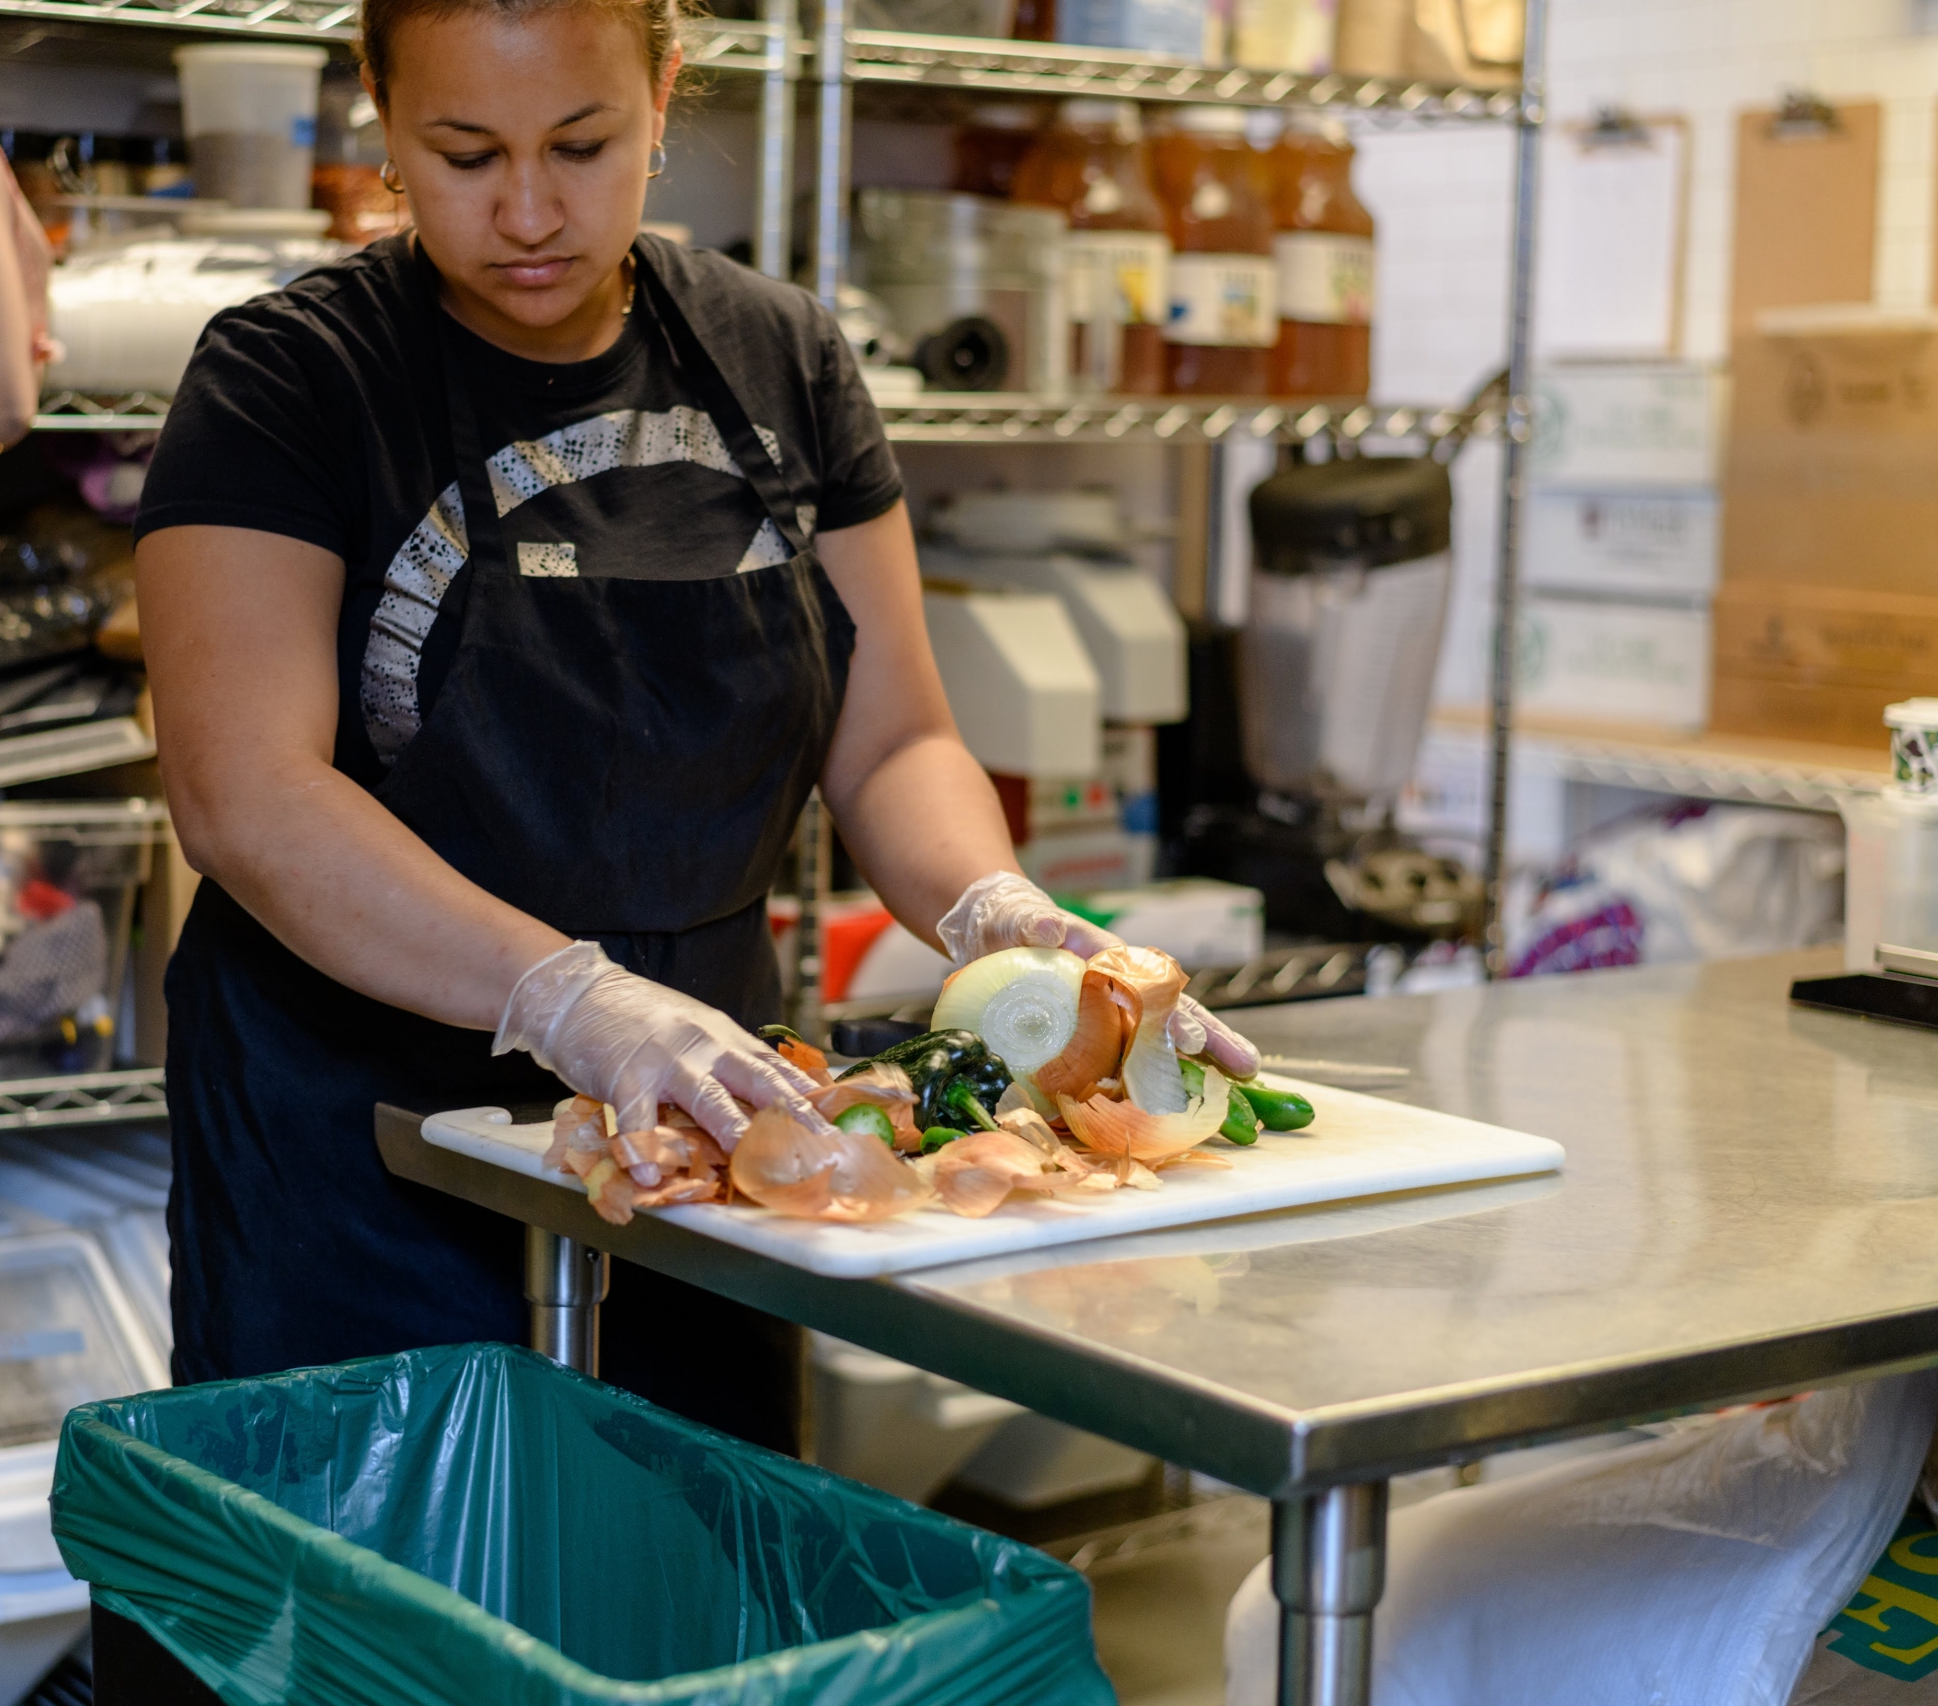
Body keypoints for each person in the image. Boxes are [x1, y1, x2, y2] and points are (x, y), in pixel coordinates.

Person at [133, 0, 1256, 1449]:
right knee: (383, 1582)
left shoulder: (777, 358)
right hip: (362, 1157)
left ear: (662, 94)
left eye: (582, 145)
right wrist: (568, 1001)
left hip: (713, 1137)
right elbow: (244, 795)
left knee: (690, 1561)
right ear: (380, 106)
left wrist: (1000, 913)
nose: (527, 212)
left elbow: (893, 741)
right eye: (464, 154)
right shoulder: (290, 379)